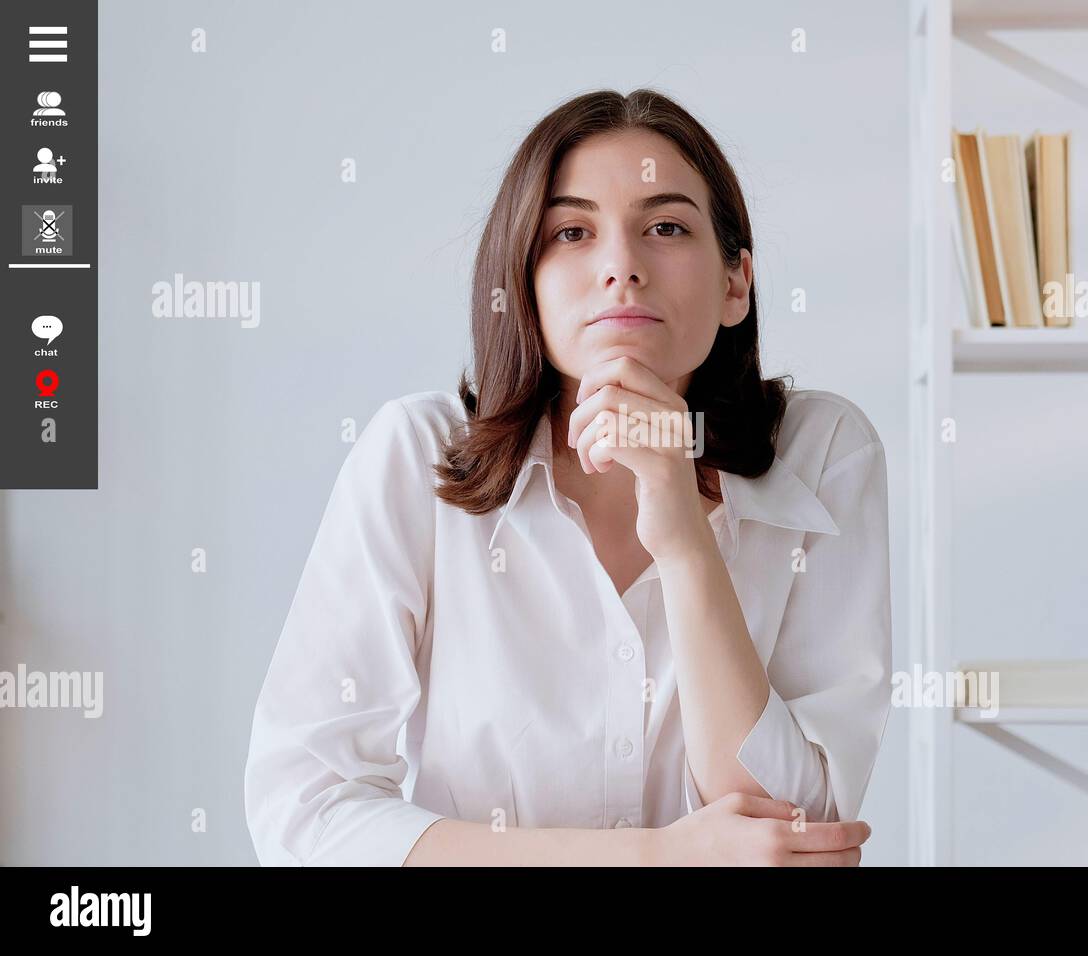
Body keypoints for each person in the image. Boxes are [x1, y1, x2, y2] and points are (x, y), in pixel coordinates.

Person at [244, 89, 892, 866]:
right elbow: (306, 811)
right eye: (573, 232)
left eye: (666, 227)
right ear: (523, 283)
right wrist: (656, 858)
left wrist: (684, 539)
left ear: (734, 283)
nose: (621, 267)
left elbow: (800, 832)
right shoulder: (413, 458)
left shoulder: (825, 453)